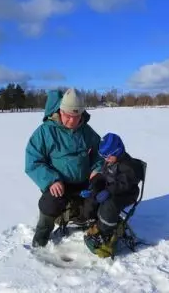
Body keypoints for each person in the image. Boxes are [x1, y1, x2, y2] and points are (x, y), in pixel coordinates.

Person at [24, 87, 104, 248]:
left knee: (100, 197)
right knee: (49, 203)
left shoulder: (86, 131)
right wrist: (51, 180)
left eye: (77, 116)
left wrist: (96, 170)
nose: (72, 121)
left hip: (84, 181)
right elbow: (33, 161)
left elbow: (99, 154)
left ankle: (95, 231)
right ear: (60, 111)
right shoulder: (45, 132)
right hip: (59, 184)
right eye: (68, 116)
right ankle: (41, 238)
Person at [79, 132, 143, 257]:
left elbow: (124, 184)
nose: (105, 159)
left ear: (118, 151)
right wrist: (92, 187)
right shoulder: (110, 161)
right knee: (93, 194)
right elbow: (104, 175)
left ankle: (105, 232)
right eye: (102, 156)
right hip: (111, 188)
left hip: (126, 194)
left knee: (109, 204)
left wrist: (108, 191)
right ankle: (93, 221)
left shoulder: (128, 166)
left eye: (107, 156)